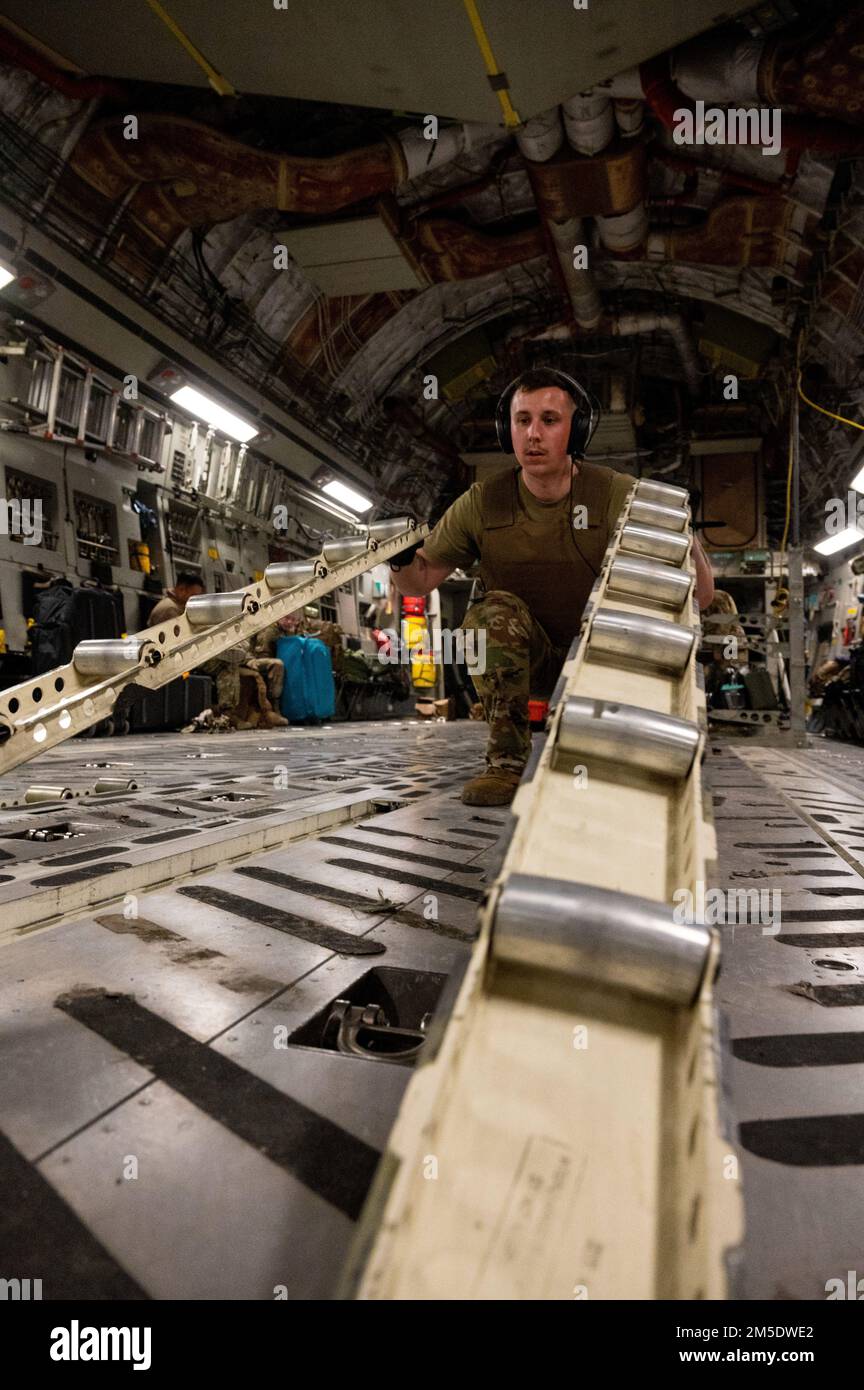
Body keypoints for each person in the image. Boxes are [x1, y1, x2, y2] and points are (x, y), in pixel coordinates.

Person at [389, 367, 715, 806]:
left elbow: (701, 597)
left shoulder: (619, 494)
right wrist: (398, 555)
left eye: (549, 420)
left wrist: (681, 532)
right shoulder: (484, 502)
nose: (533, 434)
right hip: (534, 660)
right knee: (487, 618)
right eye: (522, 420)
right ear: (508, 431)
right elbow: (419, 581)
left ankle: (639, 753)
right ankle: (507, 764)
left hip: (606, 659)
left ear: (576, 429)